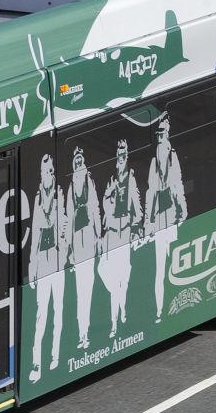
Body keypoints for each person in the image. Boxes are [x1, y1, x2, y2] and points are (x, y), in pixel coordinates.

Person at [25, 151, 68, 383]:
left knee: (58, 312)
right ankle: (36, 364)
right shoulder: (38, 199)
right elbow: (34, 235)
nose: (50, 173)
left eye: (52, 170)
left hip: (57, 260)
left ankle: (55, 356)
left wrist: (65, 248)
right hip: (42, 261)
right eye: (47, 171)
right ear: (42, 175)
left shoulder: (60, 194)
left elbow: (66, 223)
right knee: (41, 316)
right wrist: (32, 267)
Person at [143, 117, 188, 321]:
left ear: (167, 134)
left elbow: (178, 184)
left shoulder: (172, 156)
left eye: (162, 133)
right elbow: (150, 192)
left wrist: (182, 211)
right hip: (160, 217)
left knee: (172, 263)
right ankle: (160, 310)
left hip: (171, 215)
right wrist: (148, 220)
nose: (159, 136)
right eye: (157, 134)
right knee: (160, 267)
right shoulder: (154, 160)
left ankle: (173, 305)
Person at [97, 138, 142, 338]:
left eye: (123, 154)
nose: (121, 158)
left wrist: (137, 227)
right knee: (110, 278)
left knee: (124, 279)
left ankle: (122, 309)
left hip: (125, 234)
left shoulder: (130, 179)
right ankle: (114, 323)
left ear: (127, 156)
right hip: (112, 235)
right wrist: (110, 194)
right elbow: (104, 204)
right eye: (119, 155)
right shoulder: (111, 179)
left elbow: (137, 206)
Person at [65, 146, 101, 352]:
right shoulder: (71, 187)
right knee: (81, 293)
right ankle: (82, 334)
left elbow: (95, 209)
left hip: (89, 239)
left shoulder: (89, 182)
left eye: (80, 159)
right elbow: (69, 218)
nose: (78, 162)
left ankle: (89, 331)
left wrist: (98, 237)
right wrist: (69, 248)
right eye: (76, 160)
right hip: (77, 245)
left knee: (89, 288)